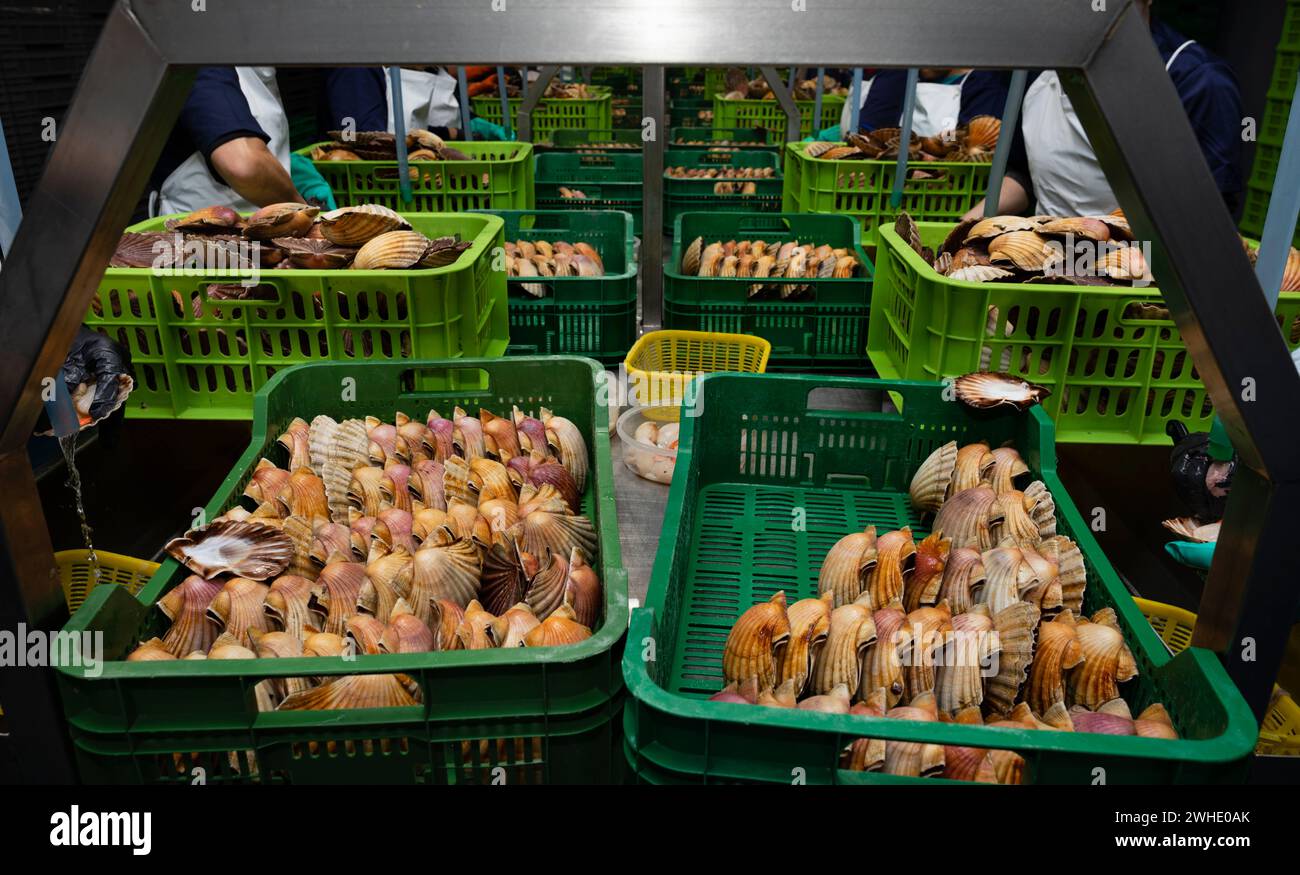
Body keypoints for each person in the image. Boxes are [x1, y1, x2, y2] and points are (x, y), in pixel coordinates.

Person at [964, 0, 1243, 219]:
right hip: (1045, 262)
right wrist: (970, 223)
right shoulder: (1040, 70)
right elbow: (1022, 174)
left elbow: (1208, 217)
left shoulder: (1197, 82)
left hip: (1137, 277)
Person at [151, 67, 305, 216]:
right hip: (205, 233)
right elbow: (244, 166)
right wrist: (302, 211)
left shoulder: (255, 68)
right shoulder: (203, 59)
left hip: (264, 224)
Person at [326, 66, 512, 140]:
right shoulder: (355, 70)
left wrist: (470, 122)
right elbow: (363, 140)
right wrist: (451, 133)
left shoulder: (430, 67)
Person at [858, 68, 1010, 138]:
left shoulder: (984, 83)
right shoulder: (903, 76)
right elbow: (873, 126)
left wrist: (937, 143)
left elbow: (972, 139)